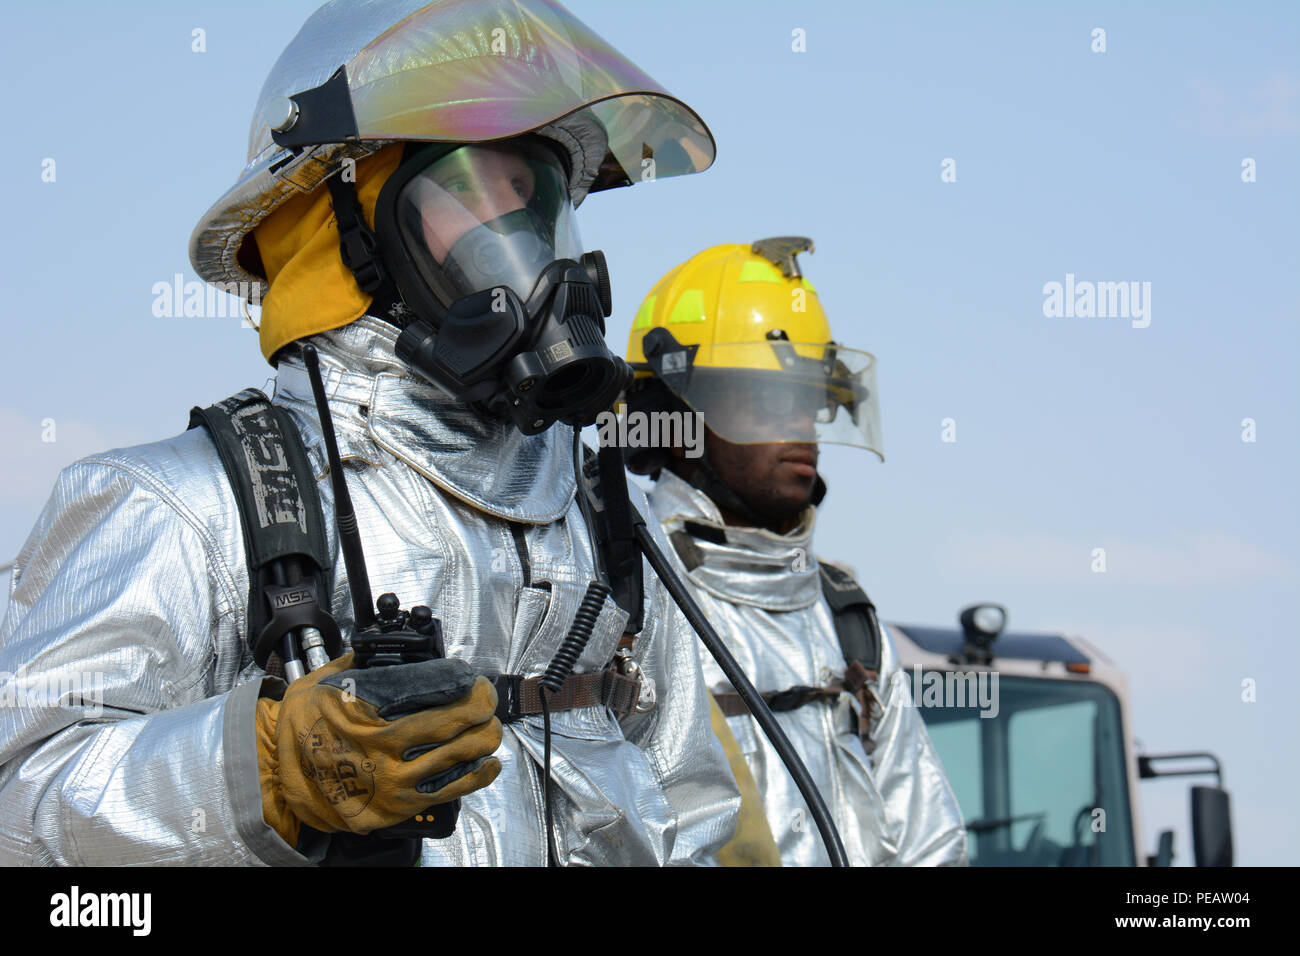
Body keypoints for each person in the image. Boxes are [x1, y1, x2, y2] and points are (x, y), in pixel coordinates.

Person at [0, 0, 740, 867]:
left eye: (534, 203)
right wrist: (261, 768)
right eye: (469, 194)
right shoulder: (186, 508)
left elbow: (689, 811)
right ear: (344, 235)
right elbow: (24, 800)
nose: (527, 250)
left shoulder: (604, 518)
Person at [622, 237, 969, 866]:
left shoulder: (848, 619)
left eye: (809, 402)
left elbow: (930, 840)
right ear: (677, 426)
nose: (801, 429)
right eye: (766, 401)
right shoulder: (631, 602)